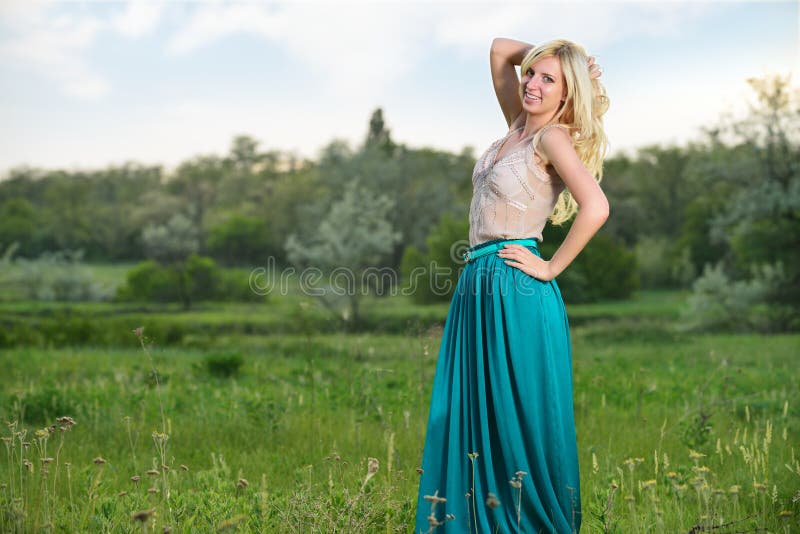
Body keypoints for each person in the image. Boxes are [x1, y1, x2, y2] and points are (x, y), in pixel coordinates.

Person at [414, 37, 610, 533]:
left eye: (549, 79)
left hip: (516, 285)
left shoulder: (552, 139)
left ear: (568, 94)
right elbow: (502, 49)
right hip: (476, 283)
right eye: (533, 74)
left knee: (516, 416)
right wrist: (565, 54)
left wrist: (549, 268)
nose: (533, 84)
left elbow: (597, 207)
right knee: (469, 411)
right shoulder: (517, 128)